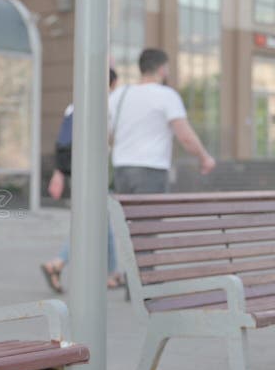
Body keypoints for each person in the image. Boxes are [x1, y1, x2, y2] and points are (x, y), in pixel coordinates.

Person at [41, 69, 121, 293]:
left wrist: (59, 171)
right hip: (95, 170)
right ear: (111, 84)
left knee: (100, 221)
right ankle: (57, 262)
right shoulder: (104, 105)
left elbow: (62, 141)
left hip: (76, 169)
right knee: (91, 222)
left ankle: (110, 273)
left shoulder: (73, 105)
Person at [109, 48, 215, 194]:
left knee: (126, 216)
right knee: (149, 216)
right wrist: (205, 158)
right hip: (151, 169)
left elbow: (107, 133)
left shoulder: (120, 94)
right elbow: (185, 137)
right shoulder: (167, 96)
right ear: (162, 69)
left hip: (121, 169)